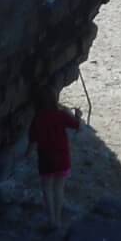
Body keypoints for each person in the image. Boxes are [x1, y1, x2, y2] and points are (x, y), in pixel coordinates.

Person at [27, 90, 82, 229]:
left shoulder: (37, 119)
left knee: (47, 189)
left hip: (46, 159)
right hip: (62, 158)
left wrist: (27, 155)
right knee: (59, 188)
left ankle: (51, 220)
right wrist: (77, 115)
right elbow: (77, 126)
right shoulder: (61, 115)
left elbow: (32, 143)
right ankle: (58, 219)